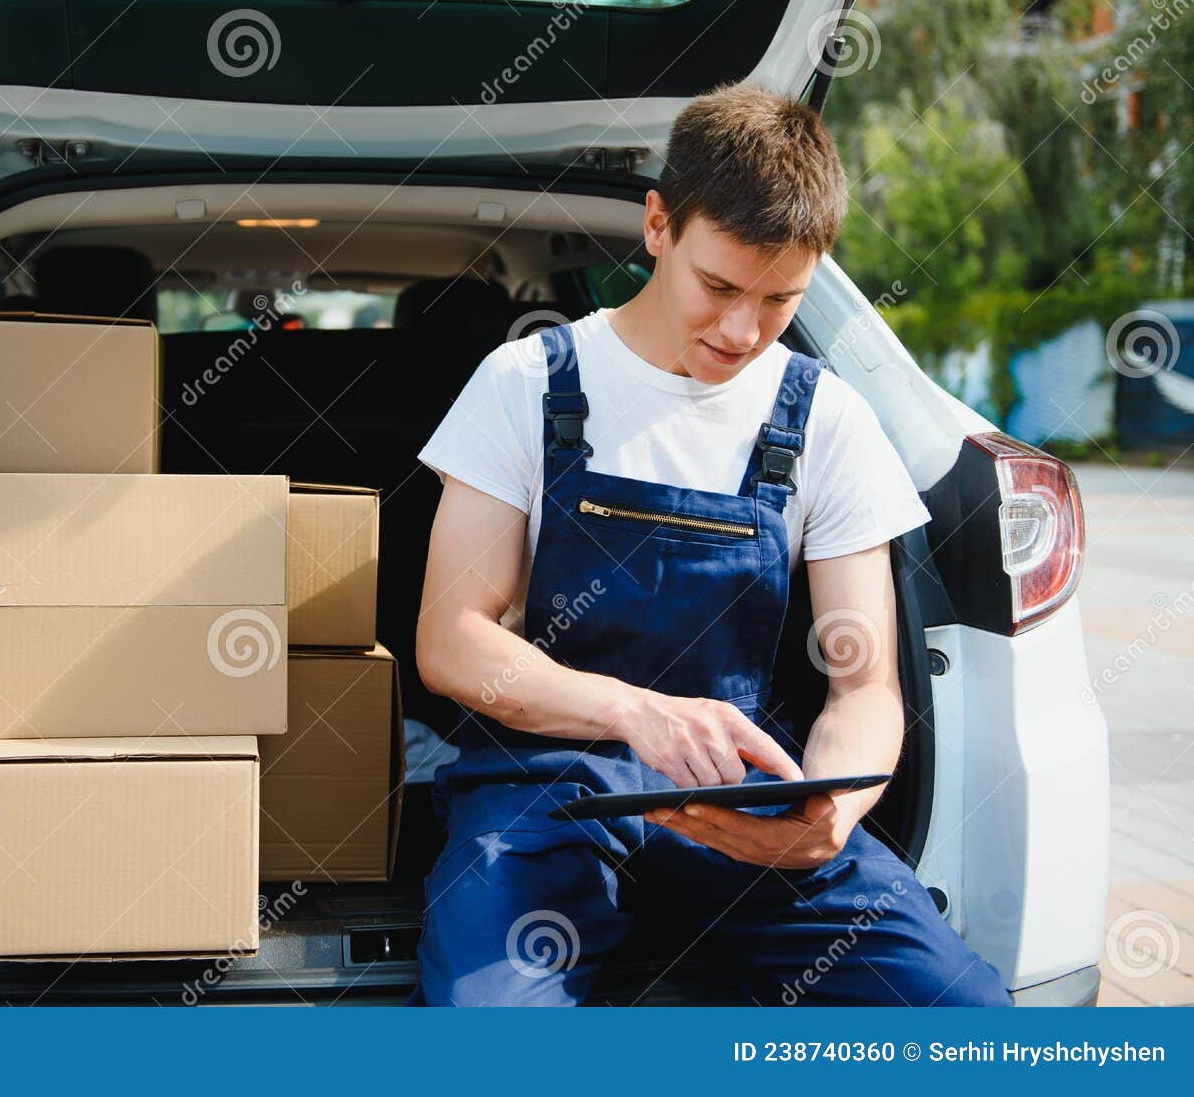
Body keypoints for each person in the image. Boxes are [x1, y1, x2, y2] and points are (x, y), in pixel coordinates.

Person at [411, 82, 1012, 1007]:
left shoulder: (828, 420)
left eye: (780, 299)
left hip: (739, 801)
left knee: (962, 1013)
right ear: (658, 225)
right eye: (721, 286)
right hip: (542, 797)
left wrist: (828, 814)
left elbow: (866, 687)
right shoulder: (526, 383)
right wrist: (634, 712)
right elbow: (451, 640)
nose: (742, 330)